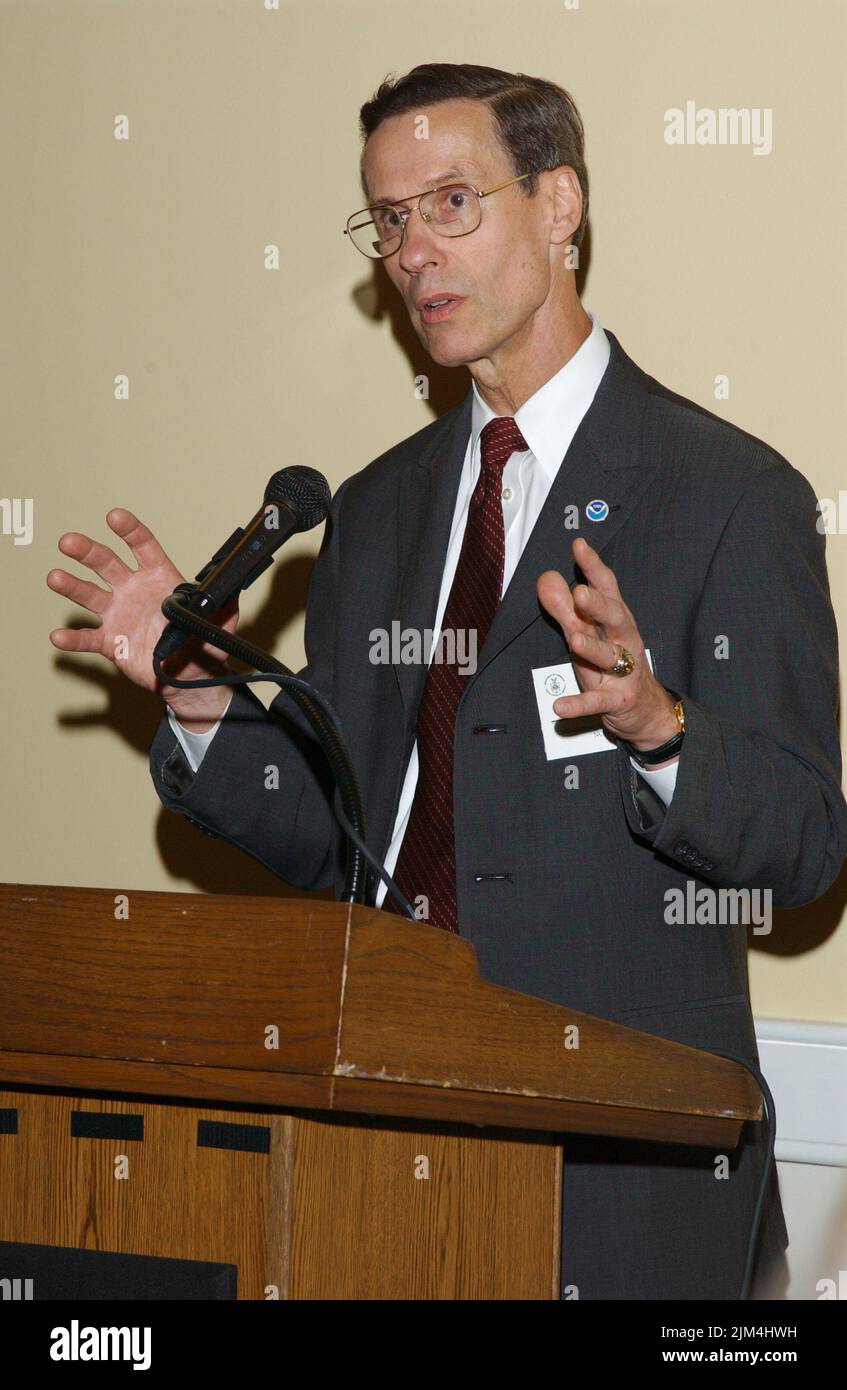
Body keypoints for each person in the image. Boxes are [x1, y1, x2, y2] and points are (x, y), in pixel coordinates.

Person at [48, 63, 847, 1300]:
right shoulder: (375, 510)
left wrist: (660, 727)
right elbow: (346, 837)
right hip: (373, 1157)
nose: (413, 251)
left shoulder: (732, 494)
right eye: (389, 220)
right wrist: (204, 699)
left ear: (559, 205)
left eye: (451, 204)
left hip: (624, 1182)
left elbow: (803, 844)